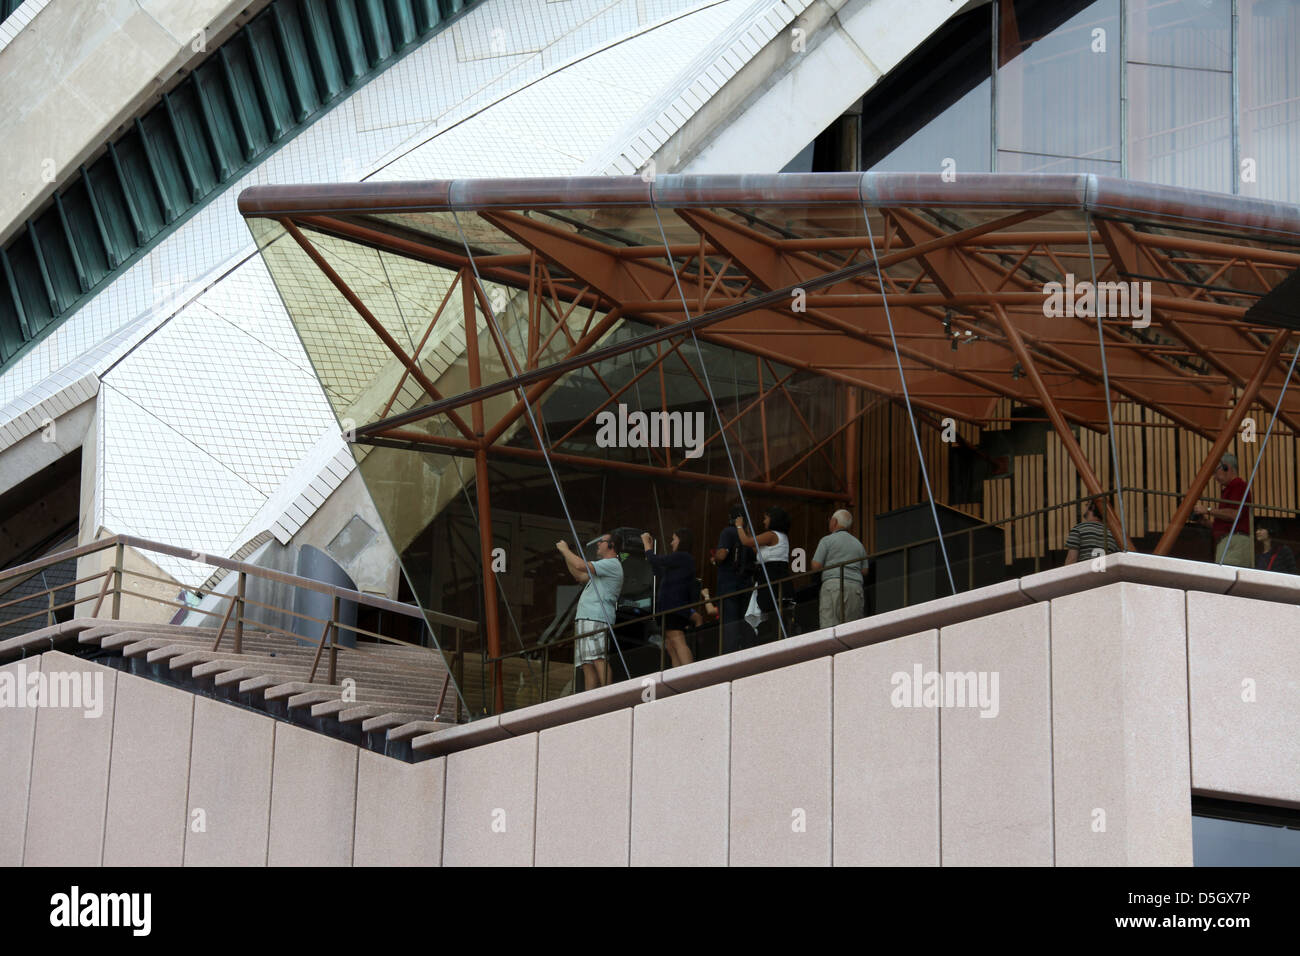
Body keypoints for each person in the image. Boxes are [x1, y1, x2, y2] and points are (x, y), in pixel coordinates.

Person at [557, 531, 623, 690]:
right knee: (587, 663)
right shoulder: (602, 569)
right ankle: (591, 701)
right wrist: (566, 555)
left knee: (598, 659)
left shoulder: (612, 564)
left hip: (596, 618)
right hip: (588, 618)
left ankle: (608, 696)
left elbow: (581, 565)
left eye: (602, 541)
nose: (598, 544)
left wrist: (566, 550)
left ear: (611, 545)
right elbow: (579, 575)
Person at [735, 506, 793, 643]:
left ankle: (777, 641)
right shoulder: (781, 537)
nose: (764, 521)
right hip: (775, 576)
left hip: (772, 578)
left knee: (772, 613)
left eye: (766, 518)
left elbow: (746, 542)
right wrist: (748, 533)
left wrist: (738, 527)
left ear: (773, 519)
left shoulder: (771, 535)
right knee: (774, 614)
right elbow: (758, 551)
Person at [641, 528, 697, 668]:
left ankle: (689, 676)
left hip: (675, 606)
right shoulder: (679, 561)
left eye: (674, 539)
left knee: (677, 640)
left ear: (681, 540)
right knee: (671, 645)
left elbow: (656, 560)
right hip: (670, 606)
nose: (672, 543)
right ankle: (678, 678)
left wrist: (647, 545)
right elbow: (658, 568)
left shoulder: (683, 556)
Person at [810, 509, 868, 628]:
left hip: (833, 586)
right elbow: (864, 570)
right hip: (856, 589)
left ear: (834, 521)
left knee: (830, 628)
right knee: (852, 629)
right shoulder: (858, 543)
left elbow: (816, 566)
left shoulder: (827, 540)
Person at [1193, 454, 1252, 568]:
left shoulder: (1238, 485)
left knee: (1227, 575)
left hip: (1234, 542)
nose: (1214, 477)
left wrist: (1207, 510)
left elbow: (1234, 514)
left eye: (1215, 472)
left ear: (1227, 467)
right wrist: (1205, 522)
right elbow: (1226, 524)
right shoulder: (1230, 488)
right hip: (1229, 541)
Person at [711, 503, 756, 653]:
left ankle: (729, 656)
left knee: (730, 625)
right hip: (746, 587)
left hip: (729, 587)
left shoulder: (728, 532)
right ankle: (748, 652)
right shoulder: (748, 538)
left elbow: (722, 554)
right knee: (745, 623)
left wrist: (715, 558)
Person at [1063, 496, 1120, 565]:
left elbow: (1071, 559)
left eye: (1087, 505)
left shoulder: (1079, 529)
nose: (1085, 507)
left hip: (1085, 574)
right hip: (1106, 575)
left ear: (1092, 507)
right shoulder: (1113, 534)